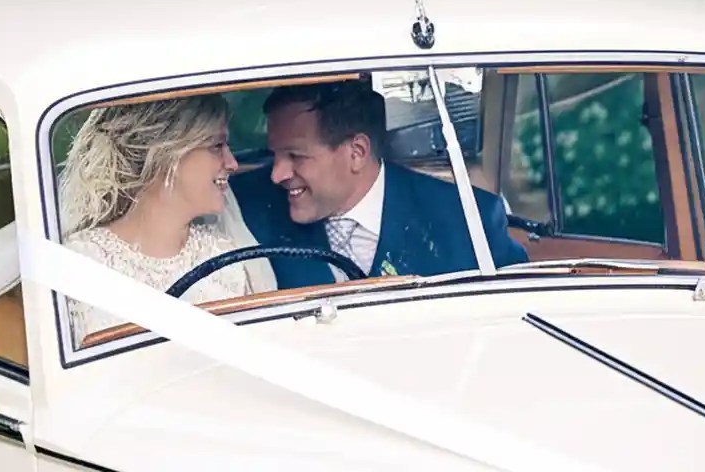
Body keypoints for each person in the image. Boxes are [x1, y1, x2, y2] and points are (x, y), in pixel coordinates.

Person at [229, 80, 527, 288]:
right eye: (275, 155)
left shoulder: (470, 222)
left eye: (296, 156)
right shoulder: (242, 206)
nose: (277, 174)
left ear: (357, 152)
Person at [57, 95, 275, 345]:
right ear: (168, 153)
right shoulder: (78, 262)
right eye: (217, 146)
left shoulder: (227, 261)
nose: (232, 163)